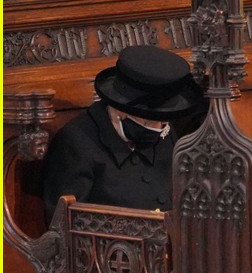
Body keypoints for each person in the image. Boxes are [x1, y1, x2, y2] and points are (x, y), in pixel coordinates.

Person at [41, 45, 205, 221]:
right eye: (150, 120)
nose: (160, 128)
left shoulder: (163, 129)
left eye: (164, 121)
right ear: (122, 110)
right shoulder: (76, 143)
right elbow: (65, 227)